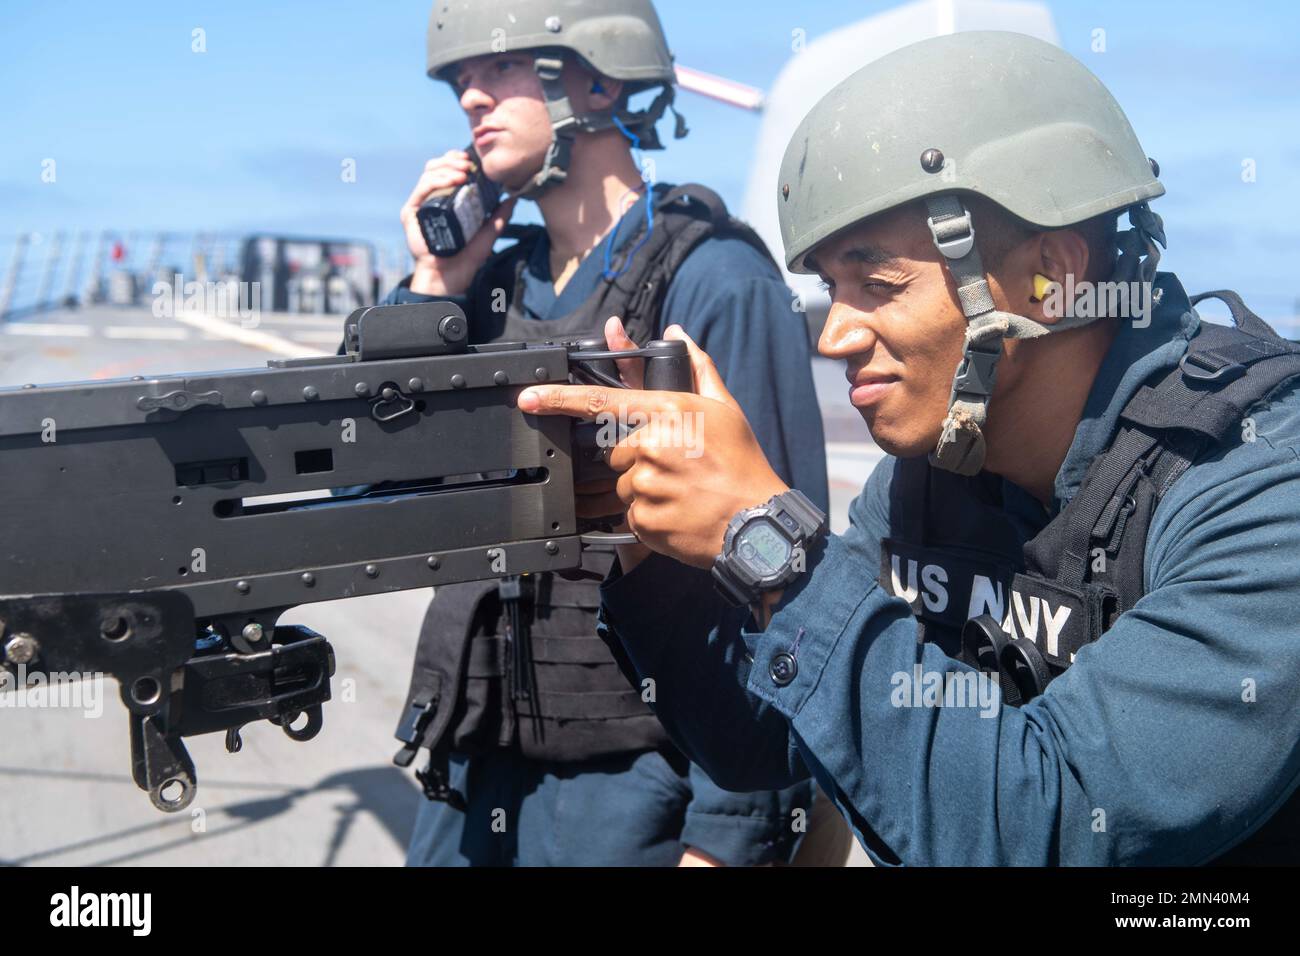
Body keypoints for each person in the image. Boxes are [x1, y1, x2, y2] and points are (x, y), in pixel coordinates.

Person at [517, 30, 1300, 865]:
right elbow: (770, 744)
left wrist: (772, 548)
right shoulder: (931, 477)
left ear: (1055, 275)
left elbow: (1060, 823)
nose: (835, 335)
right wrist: (658, 547)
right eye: (830, 289)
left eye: (879, 285)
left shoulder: (1254, 481)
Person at [383, 0, 836, 866]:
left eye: (501, 68)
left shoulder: (718, 283)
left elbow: (780, 569)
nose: (472, 99)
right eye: (461, 82)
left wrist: (730, 835)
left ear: (597, 76)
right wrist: (432, 285)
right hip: (477, 770)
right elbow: (371, 489)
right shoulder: (479, 293)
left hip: (640, 785)